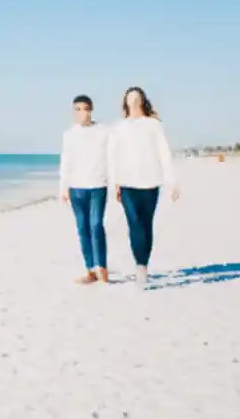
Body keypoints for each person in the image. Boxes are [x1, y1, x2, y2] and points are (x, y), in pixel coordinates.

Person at [107, 86, 180, 287]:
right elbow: (113, 157)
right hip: (127, 182)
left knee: (146, 225)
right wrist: (115, 183)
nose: (133, 99)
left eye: (136, 96)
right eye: (130, 96)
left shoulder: (154, 125)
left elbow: (164, 153)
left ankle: (143, 265)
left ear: (142, 100)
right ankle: (139, 266)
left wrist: (172, 181)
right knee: (134, 223)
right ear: (125, 102)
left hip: (151, 182)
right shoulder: (118, 127)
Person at [59, 94, 111, 284]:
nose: (82, 113)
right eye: (77, 109)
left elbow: (112, 157)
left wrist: (115, 182)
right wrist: (63, 187)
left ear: (91, 110)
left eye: (85, 109)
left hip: (98, 186)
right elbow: (66, 161)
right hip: (76, 188)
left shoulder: (104, 131)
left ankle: (102, 267)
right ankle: (90, 270)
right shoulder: (69, 134)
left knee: (96, 225)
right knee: (82, 229)